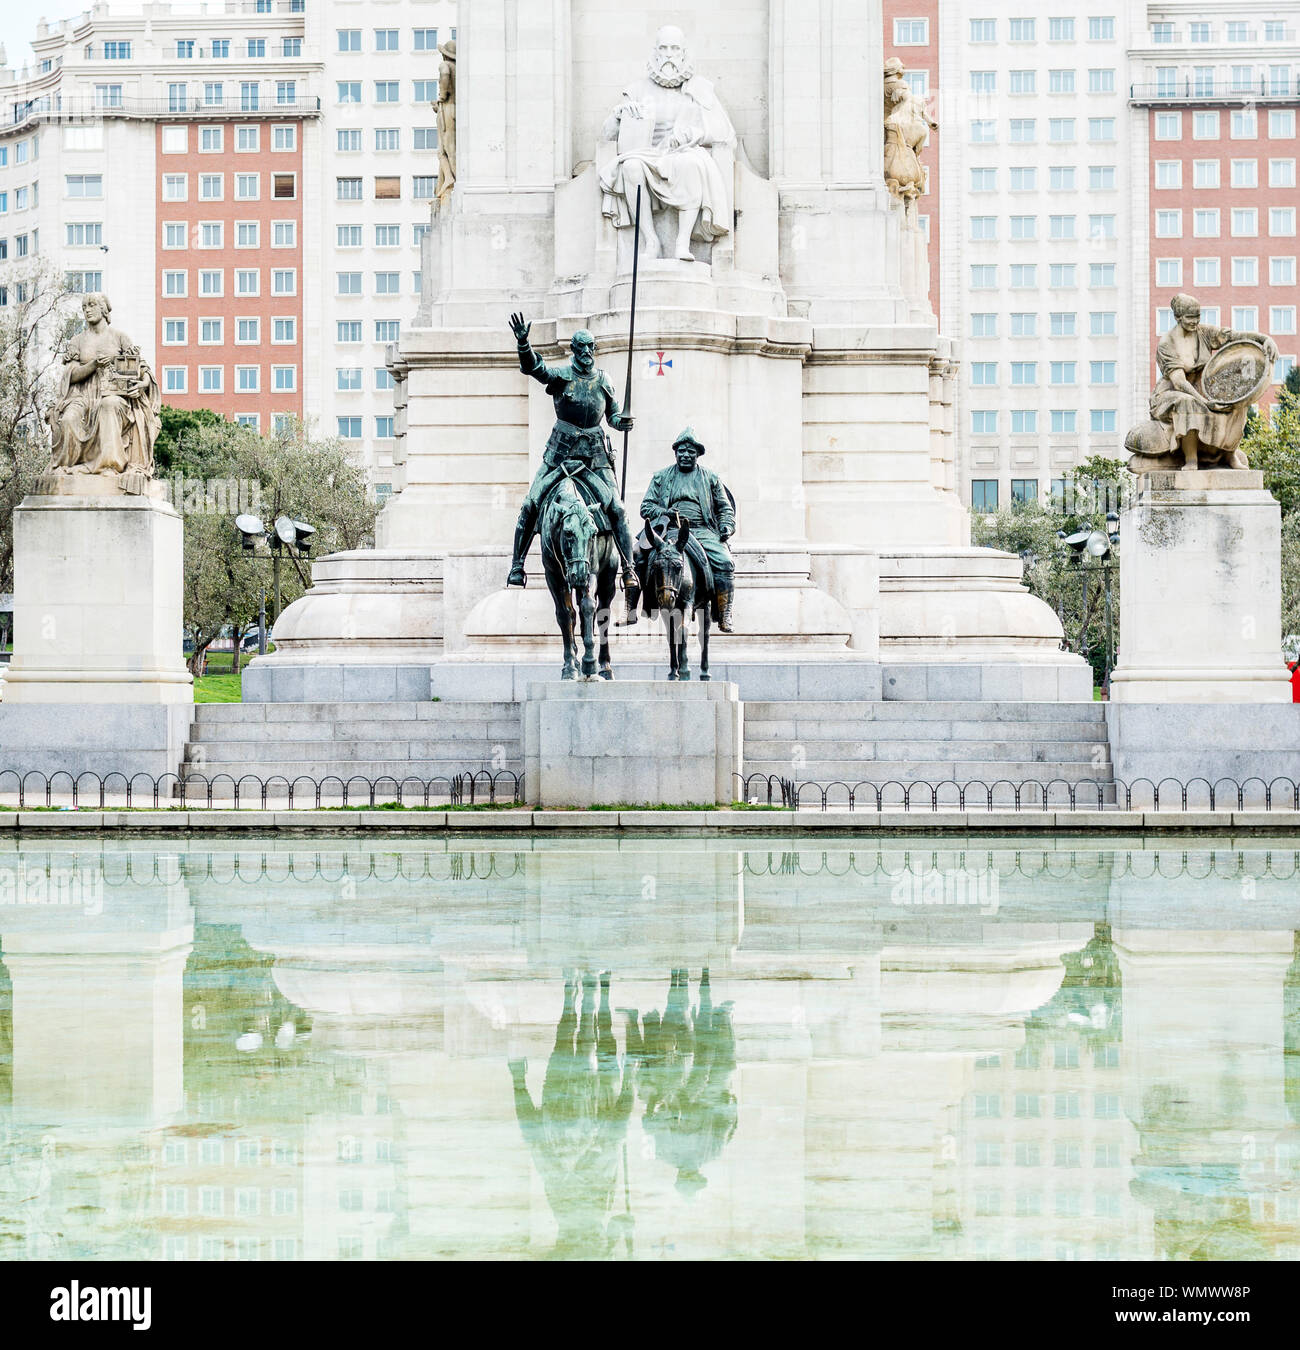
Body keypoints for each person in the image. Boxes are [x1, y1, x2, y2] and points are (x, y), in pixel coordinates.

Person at [505, 313, 639, 616]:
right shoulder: (562, 375)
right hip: (560, 455)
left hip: (595, 457)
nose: (587, 353)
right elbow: (534, 368)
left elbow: (612, 416)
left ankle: (629, 567)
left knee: (616, 508)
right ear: (574, 350)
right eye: (582, 348)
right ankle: (517, 565)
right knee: (531, 504)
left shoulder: (604, 380)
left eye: (591, 347)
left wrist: (622, 422)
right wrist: (524, 344)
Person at [599, 25, 735, 261]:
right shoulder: (638, 89)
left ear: (683, 53)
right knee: (630, 167)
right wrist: (619, 114)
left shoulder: (698, 88)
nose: (669, 54)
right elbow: (606, 135)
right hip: (647, 154)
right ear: (655, 52)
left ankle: (682, 243)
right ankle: (651, 241)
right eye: (664, 48)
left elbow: (724, 133)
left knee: (691, 164)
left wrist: (694, 134)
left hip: (682, 153)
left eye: (675, 48)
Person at [1130, 293, 1278, 472]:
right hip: (1173, 393)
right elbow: (1178, 382)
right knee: (1188, 403)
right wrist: (1205, 402)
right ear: (1178, 317)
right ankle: (1191, 459)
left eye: (1197, 317)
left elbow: (1233, 336)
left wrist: (1264, 339)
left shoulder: (1204, 331)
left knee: (1236, 401)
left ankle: (1229, 455)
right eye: (1189, 317)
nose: (1194, 321)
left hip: (1204, 387)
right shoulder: (1167, 344)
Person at [47, 292, 159, 481]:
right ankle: (65, 468)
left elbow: (141, 369)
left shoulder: (119, 338)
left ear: (104, 309)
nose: (87, 310)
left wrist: (142, 385)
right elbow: (70, 376)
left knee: (109, 406)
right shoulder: (77, 341)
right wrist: (93, 365)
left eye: (91, 305)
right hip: (82, 396)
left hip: (114, 394)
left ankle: (109, 465)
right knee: (68, 419)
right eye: (84, 307)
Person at [639, 428, 737, 631]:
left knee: (725, 562)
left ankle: (725, 613)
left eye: (690, 451)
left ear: (698, 454)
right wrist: (664, 511)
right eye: (681, 451)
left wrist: (727, 525)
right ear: (675, 453)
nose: (685, 455)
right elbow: (646, 507)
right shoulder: (661, 477)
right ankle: (631, 608)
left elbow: (724, 508)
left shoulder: (710, 478)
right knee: (636, 553)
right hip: (668, 530)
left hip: (702, 530)